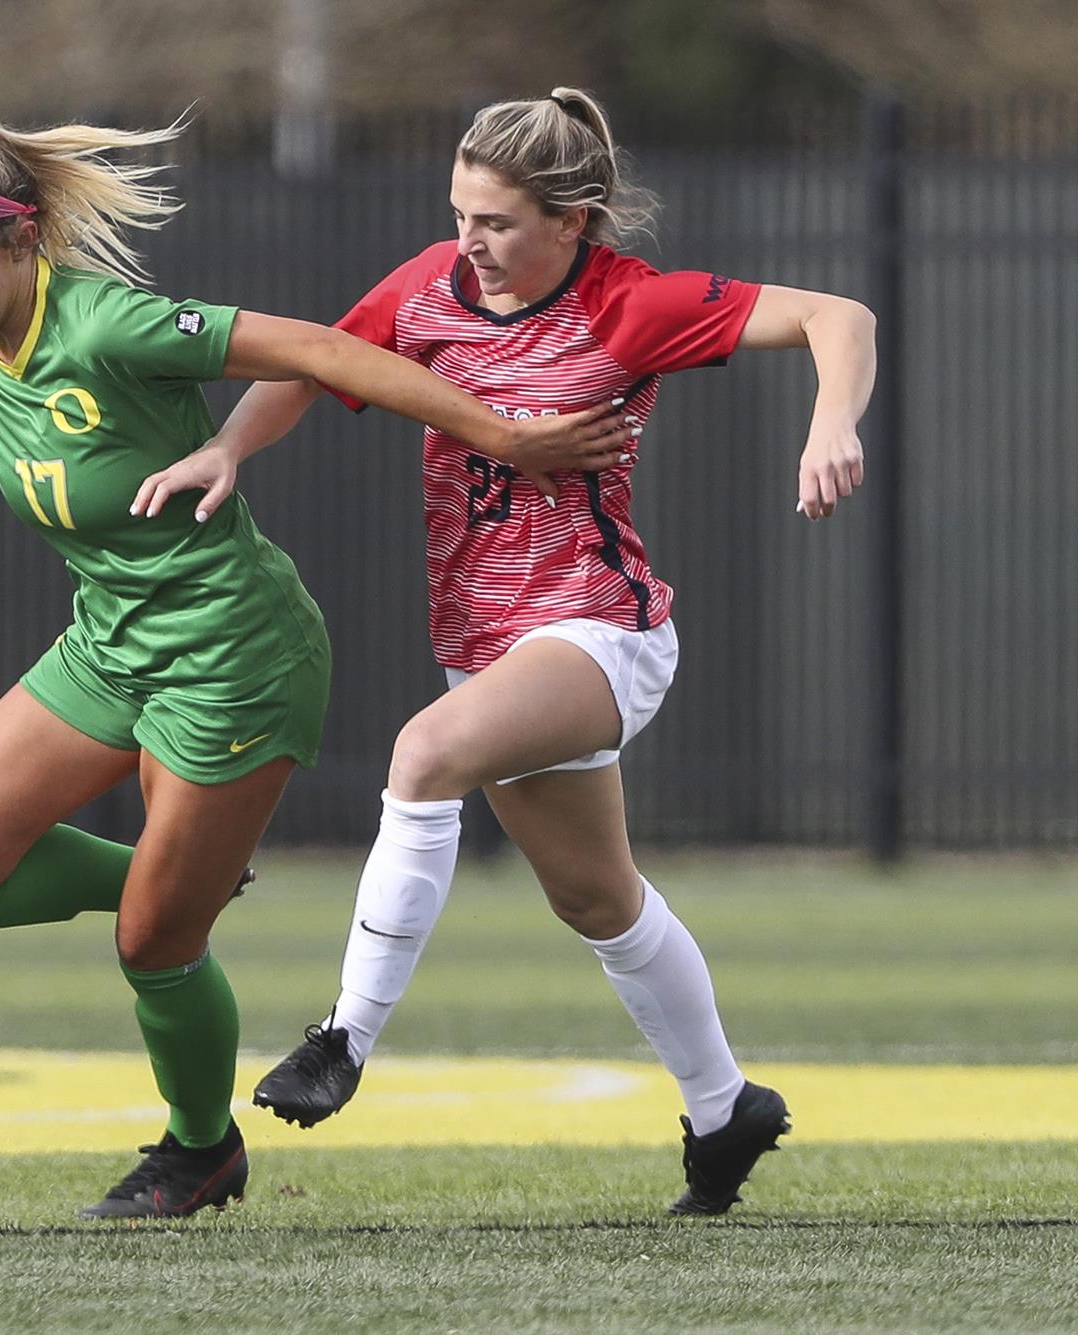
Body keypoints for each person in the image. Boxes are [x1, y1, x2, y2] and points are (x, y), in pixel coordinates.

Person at [0, 106, 633, 1219]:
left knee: (154, 945)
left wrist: (501, 434)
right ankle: (178, 878)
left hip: (232, 653)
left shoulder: (110, 322)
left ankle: (198, 1150)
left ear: (22, 244)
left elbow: (319, 349)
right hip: (109, 642)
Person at [132, 87, 874, 1216]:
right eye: (459, 213)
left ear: (571, 221)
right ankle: (726, 1111)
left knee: (421, 756)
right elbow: (319, 360)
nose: (467, 242)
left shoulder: (631, 305)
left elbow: (841, 317)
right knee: (595, 901)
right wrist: (229, 448)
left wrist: (831, 423)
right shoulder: (429, 286)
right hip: (481, 644)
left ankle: (342, 1039)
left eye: (495, 221)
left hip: (596, 631)